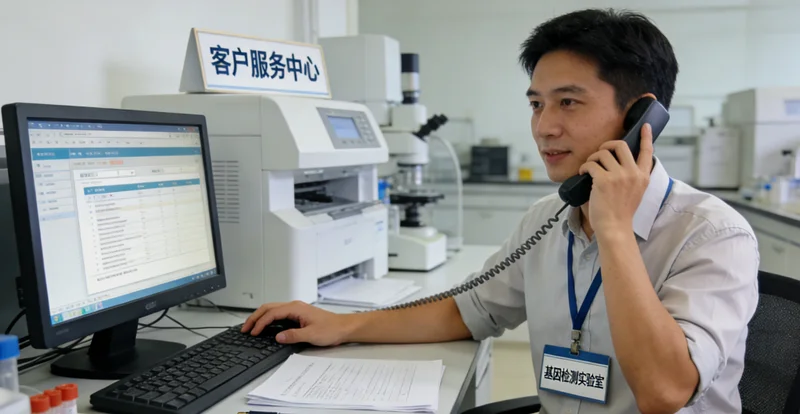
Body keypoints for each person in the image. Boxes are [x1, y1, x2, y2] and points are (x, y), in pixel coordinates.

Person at [241, 8, 759, 414]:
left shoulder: (712, 234)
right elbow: (468, 310)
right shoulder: (547, 218)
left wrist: (615, 232)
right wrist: (343, 325)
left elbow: (665, 392)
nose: (544, 127)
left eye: (568, 103)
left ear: (641, 117)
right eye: (537, 104)